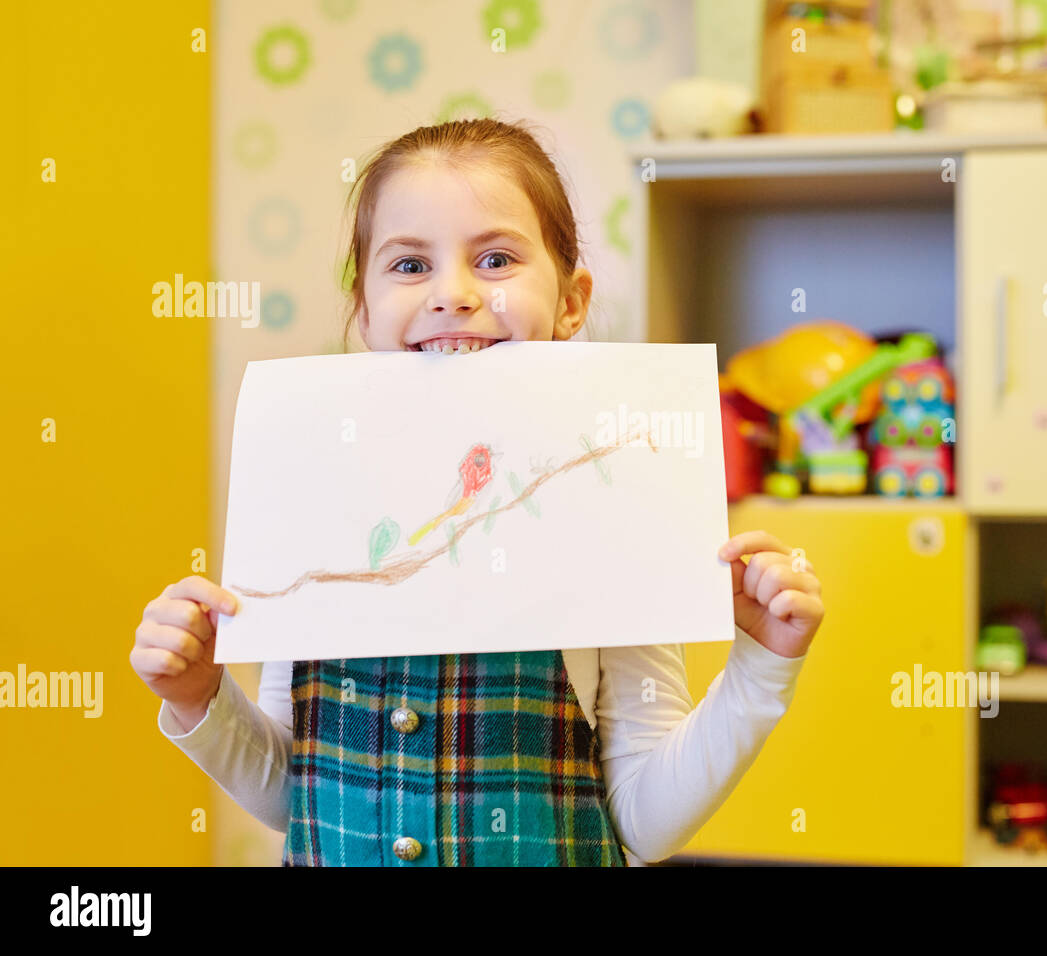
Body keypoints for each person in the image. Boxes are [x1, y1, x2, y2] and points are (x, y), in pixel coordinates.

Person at [131, 118, 825, 866]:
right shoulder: (314, 511)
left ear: (571, 300)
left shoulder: (617, 515)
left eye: (495, 259)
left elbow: (646, 824)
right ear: (363, 309)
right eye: (408, 265)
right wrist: (200, 696)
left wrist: (758, 669)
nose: (452, 294)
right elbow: (290, 799)